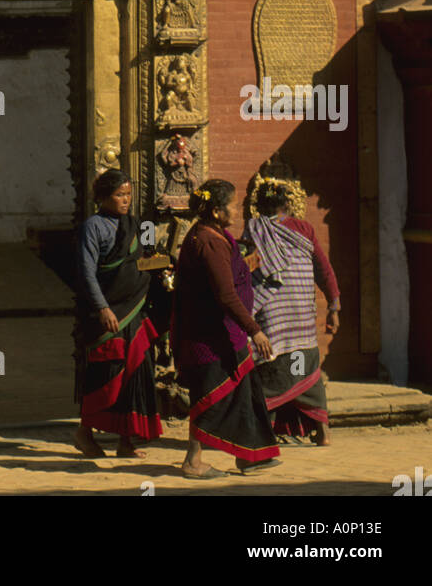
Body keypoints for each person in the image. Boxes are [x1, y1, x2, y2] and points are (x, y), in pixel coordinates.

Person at [172, 178, 280, 478]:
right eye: (233, 205)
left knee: (243, 392)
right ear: (218, 212)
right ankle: (193, 461)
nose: (237, 210)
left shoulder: (215, 235)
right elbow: (225, 294)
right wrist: (254, 329)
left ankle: (250, 456)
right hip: (209, 336)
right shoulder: (207, 242)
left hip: (223, 332)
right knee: (209, 397)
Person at [73, 169, 163, 458]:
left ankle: (127, 441)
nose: (125, 200)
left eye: (128, 195)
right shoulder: (93, 227)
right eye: (119, 195)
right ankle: (85, 434)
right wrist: (102, 308)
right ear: (103, 198)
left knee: (135, 373)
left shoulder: (136, 224)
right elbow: (87, 273)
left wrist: (164, 264)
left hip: (134, 311)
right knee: (105, 374)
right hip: (107, 315)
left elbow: (142, 262)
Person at [244, 179, 340, 446]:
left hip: (273, 310)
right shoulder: (305, 229)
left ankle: (264, 430)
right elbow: (324, 269)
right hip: (301, 312)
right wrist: (333, 306)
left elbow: (249, 269)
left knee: (270, 367)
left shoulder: (255, 229)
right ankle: (323, 432)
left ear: (259, 206)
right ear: (288, 204)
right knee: (307, 368)